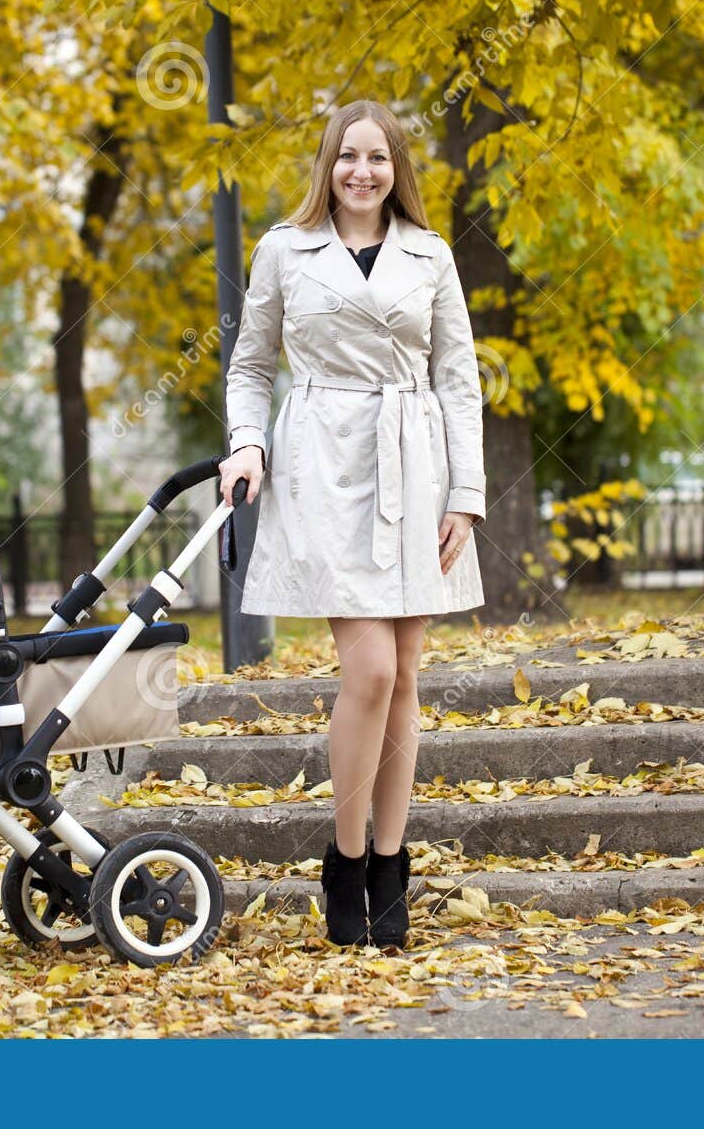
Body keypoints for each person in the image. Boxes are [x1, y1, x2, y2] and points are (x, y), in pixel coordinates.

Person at [217, 99, 487, 950]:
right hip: (326, 465)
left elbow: (459, 379)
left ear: (396, 167)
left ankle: (390, 866)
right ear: (326, 166)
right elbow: (252, 363)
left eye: (376, 157)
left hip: (417, 460)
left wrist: (467, 494)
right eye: (346, 157)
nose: (361, 172)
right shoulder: (284, 250)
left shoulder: (430, 255)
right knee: (369, 669)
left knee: (407, 676)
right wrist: (248, 444)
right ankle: (342, 861)